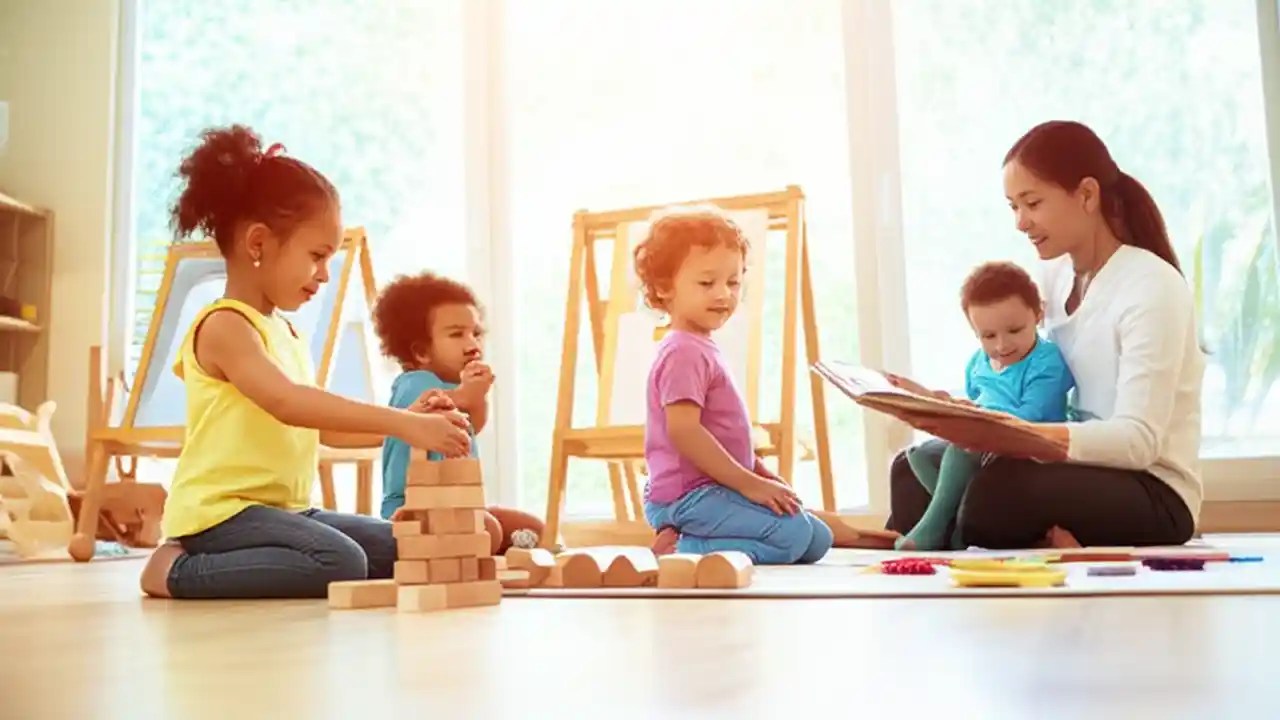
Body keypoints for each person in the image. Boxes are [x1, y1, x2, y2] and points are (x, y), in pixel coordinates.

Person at [139, 125, 472, 599]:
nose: (323, 274)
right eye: (317, 256)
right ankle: (174, 571)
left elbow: (321, 426)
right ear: (258, 243)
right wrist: (401, 421)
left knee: (404, 547)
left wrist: (404, 423)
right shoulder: (225, 326)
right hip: (222, 514)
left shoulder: (287, 332)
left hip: (286, 511)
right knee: (341, 561)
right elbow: (288, 401)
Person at [886, 120, 1204, 549]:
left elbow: (1138, 442)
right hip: (1068, 469)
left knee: (997, 493)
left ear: (1087, 195)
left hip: (1150, 489)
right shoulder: (1052, 279)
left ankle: (995, 537)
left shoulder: (1151, 286)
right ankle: (1022, 540)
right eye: (1013, 207)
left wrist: (1015, 435)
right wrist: (952, 412)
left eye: (1032, 203)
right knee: (908, 471)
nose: (1020, 222)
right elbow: (1015, 363)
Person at [636, 206, 834, 564]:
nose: (724, 295)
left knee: (818, 538)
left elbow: (728, 436)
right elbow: (683, 431)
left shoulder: (702, 347)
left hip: (715, 488)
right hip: (686, 496)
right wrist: (749, 485)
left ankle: (694, 540)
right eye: (706, 283)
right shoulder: (681, 350)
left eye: (733, 282)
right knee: (794, 536)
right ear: (665, 287)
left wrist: (762, 475)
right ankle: (682, 549)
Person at [890, 261, 1075, 551]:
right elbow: (976, 399)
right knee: (918, 455)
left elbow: (1030, 416)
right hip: (983, 442)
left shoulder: (1047, 361)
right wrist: (932, 401)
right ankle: (956, 528)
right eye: (988, 336)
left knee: (961, 449)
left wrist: (974, 419)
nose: (1002, 345)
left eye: (1014, 330)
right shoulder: (978, 363)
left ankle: (931, 529)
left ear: (1038, 313)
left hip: (1028, 447)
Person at [371, 271, 546, 554]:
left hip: (457, 503)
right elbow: (432, 407)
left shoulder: (452, 385)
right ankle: (500, 550)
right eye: (457, 334)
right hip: (413, 507)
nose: (473, 345)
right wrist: (467, 394)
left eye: (476, 334)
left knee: (533, 525)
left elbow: (473, 424)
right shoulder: (415, 382)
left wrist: (476, 397)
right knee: (489, 528)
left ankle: (520, 550)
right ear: (421, 352)